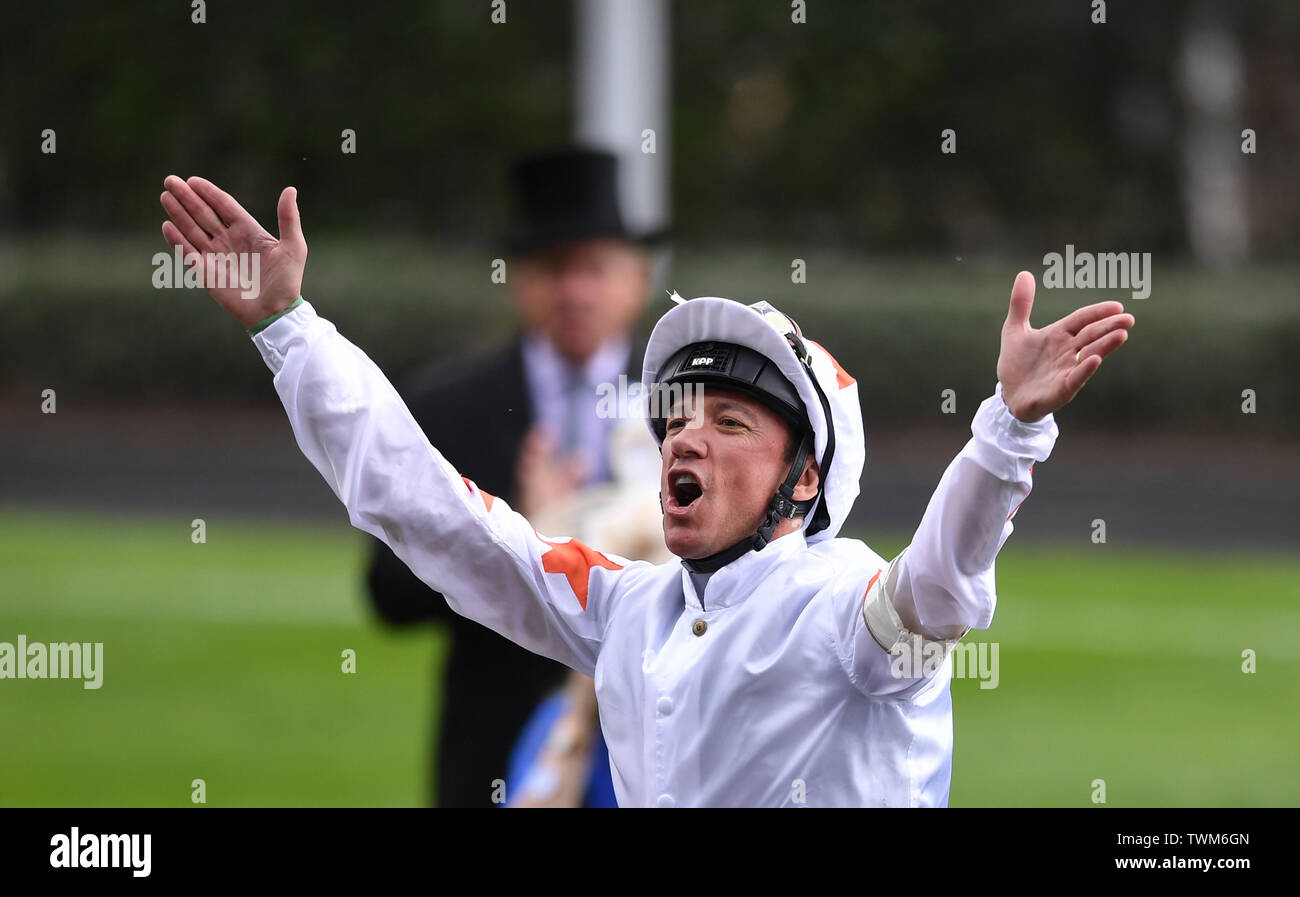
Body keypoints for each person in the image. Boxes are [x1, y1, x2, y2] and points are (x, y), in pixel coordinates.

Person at [159, 173, 1134, 806]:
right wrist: (288, 327)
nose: (687, 439)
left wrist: (1009, 428)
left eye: (731, 423)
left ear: (806, 480)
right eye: (676, 420)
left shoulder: (848, 605)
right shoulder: (625, 603)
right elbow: (430, 513)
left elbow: (940, 588)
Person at [362, 146, 664, 806]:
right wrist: (511, 533)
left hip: (655, 755)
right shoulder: (448, 407)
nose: (575, 290)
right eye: (554, 269)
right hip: (495, 754)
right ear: (517, 279)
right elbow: (387, 591)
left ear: (637, 278)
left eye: (595, 266)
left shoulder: (694, 405)